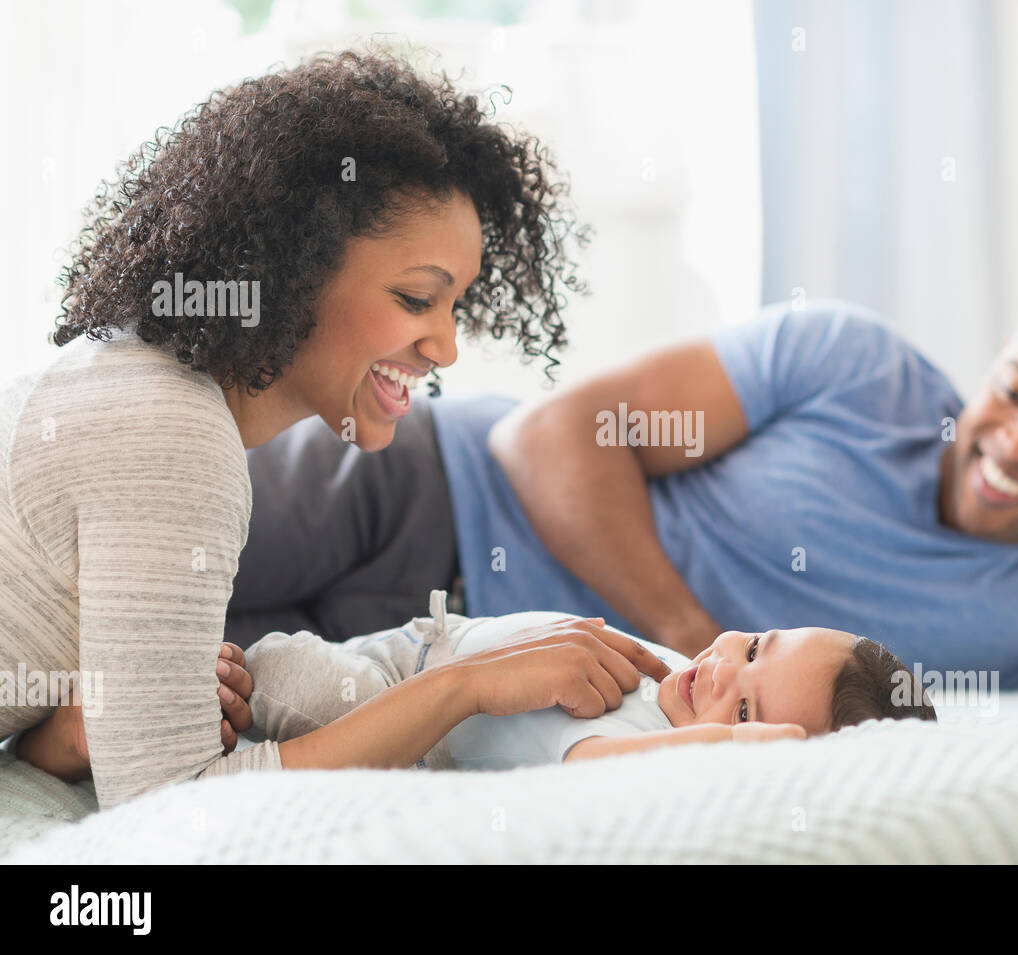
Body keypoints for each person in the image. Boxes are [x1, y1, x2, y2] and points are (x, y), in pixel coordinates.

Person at [3, 49, 670, 808]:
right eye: (418, 298)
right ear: (294, 271)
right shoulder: (176, 435)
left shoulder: (141, 380)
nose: (447, 346)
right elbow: (170, 809)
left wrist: (66, 736)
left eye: (456, 306)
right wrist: (464, 685)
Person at [227, 289, 1018, 693]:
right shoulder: (852, 365)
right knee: (114, 571)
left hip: (427, 662)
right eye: (1014, 390)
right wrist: (696, 640)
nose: (1016, 443)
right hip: (421, 490)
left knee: (125, 705)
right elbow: (557, 437)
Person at [241, 590, 937, 771]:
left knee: (274, 674)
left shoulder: (631, 742)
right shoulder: (679, 676)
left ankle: (222, 692)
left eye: (745, 705)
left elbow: (598, 770)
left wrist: (754, 745)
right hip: (413, 641)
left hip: (394, 710)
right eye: (756, 645)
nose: (723, 668)